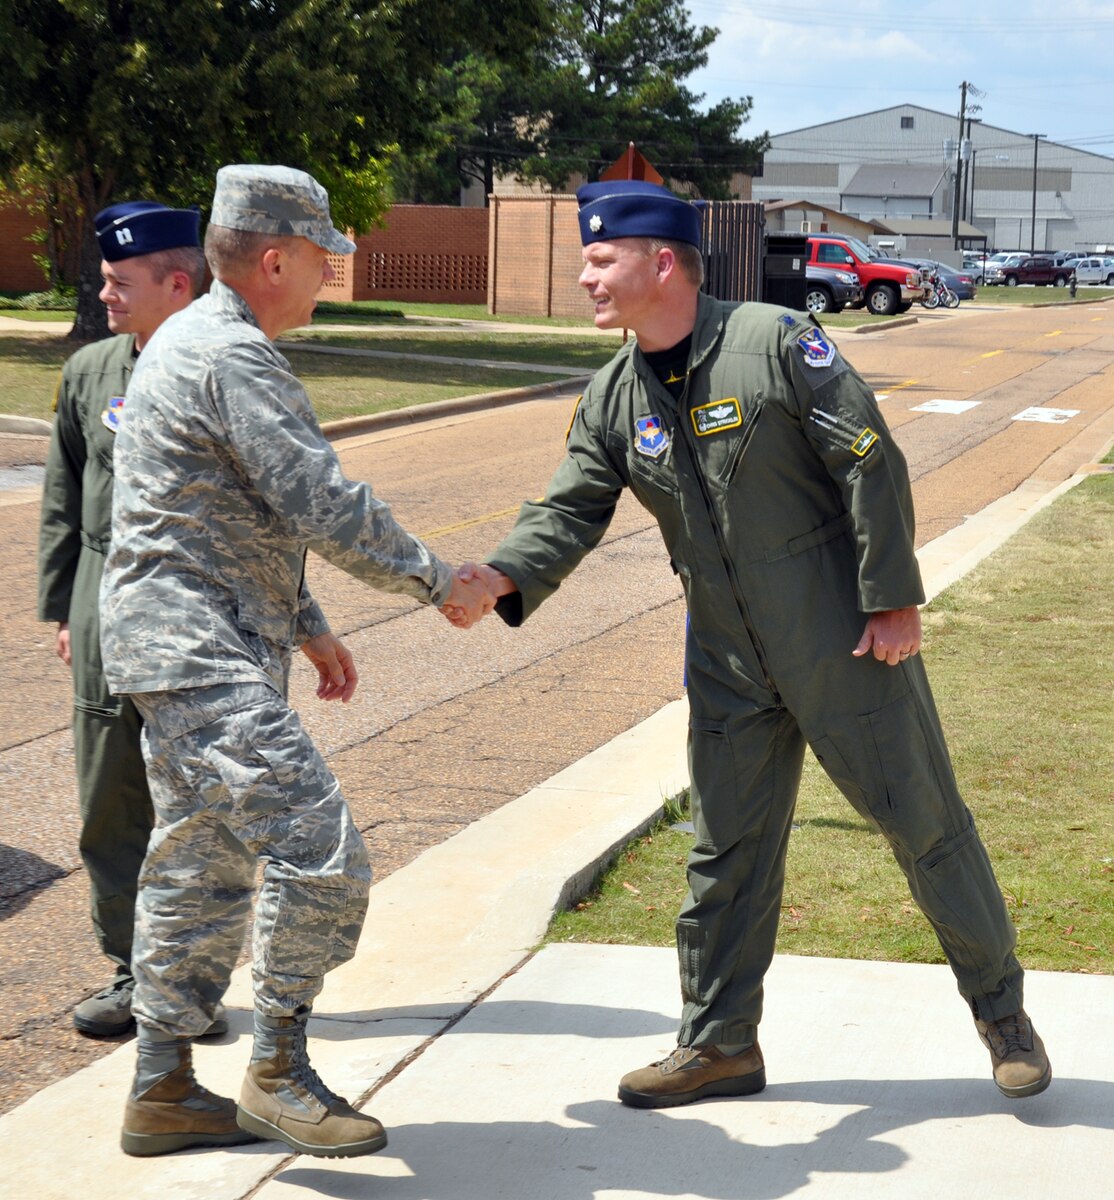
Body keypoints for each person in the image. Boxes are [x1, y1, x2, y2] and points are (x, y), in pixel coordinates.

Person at [459, 180, 1050, 1109]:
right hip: (728, 660)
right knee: (724, 853)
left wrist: (890, 598)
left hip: (843, 642)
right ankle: (719, 1044)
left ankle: (1003, 1015)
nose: (584, 276)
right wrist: (500, 576)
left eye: (600, 259)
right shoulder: (615, 393)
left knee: (923, 823)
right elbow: (569, 506)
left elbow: (868, 458)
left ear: (663, 262)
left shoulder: (774, 344)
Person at [100, 164, 490, 1158]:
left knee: (199, 857)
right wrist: (437, 578)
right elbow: (318, 497)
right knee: (321, 850)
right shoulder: (233, 355)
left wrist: (308, 618)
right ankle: (276, 1069)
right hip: (197, 645)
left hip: (188, 638)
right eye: (323, 258)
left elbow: (230, 509)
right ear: (274, 258)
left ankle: (163, 1087)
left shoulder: (195, 342)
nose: (332, 274)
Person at [37, 200, 228, 1038]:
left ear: (176, 282)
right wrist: (63, 606)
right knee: (109, 801)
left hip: (197, 621)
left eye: (120, 282)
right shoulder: (92, 373)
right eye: (104, 281)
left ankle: (189, 982)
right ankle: (130, 971)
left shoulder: (229, 370)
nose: (105, 296)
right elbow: (64, 495)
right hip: (103, 611)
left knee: (199, 807)